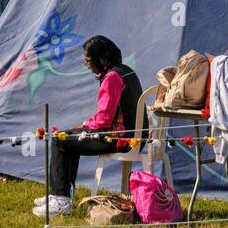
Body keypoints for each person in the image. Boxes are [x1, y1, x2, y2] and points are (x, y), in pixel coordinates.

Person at [33, 35, 147, 218]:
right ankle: (60, 194)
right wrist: (81, 127)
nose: (87, 65)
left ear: (100, 59)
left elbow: (104, 120)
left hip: (119, 139)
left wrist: (83, 126)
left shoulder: (112, 78)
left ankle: (61, 200)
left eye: (88, 61)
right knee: (67, 137)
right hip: (133, 136)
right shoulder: (126, 70)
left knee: (60, 140)